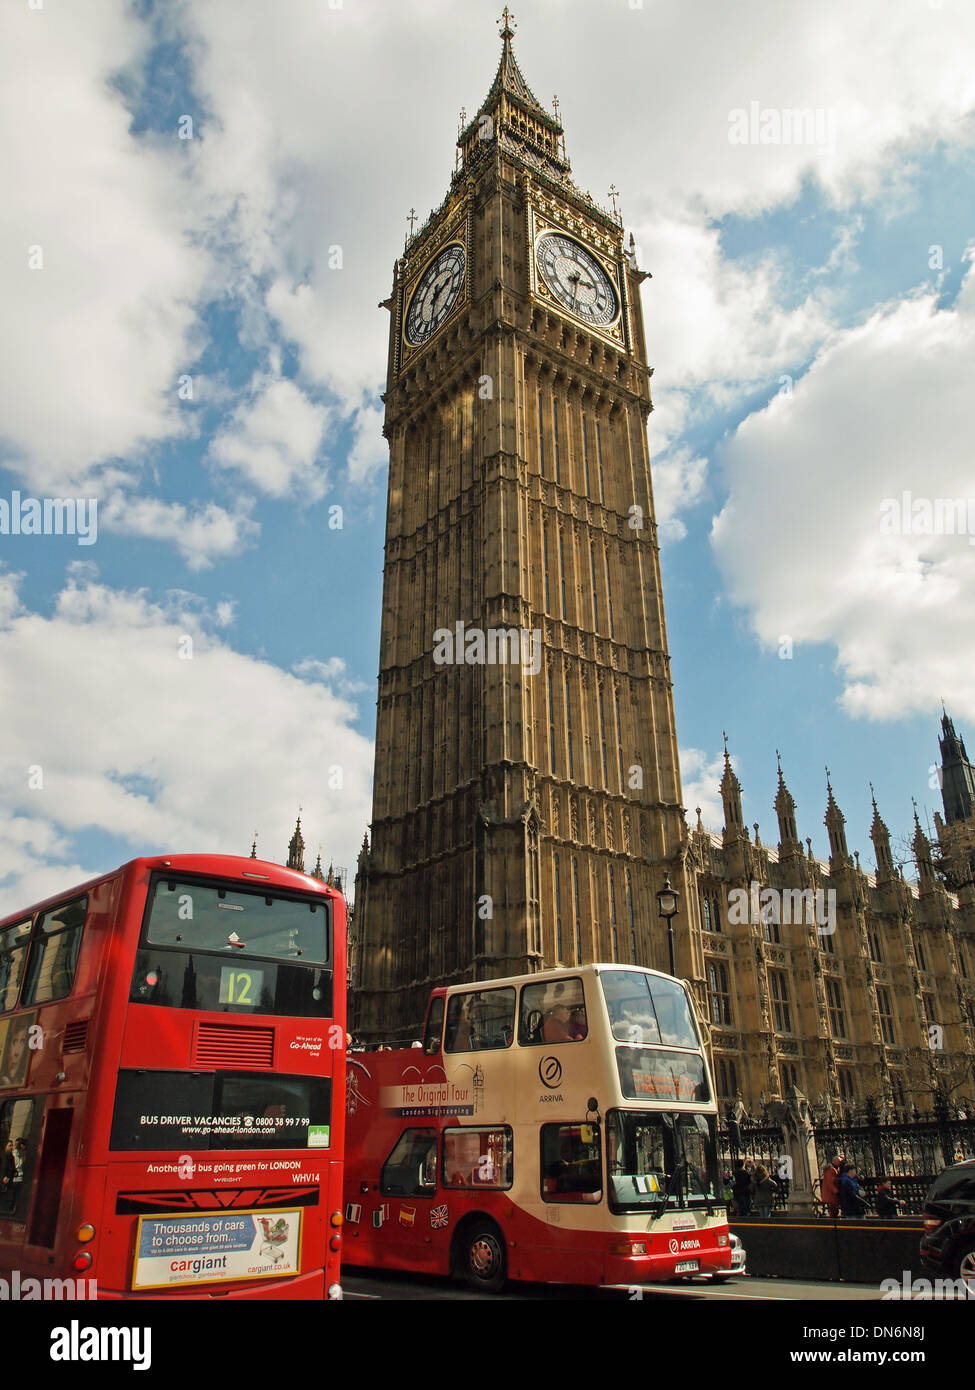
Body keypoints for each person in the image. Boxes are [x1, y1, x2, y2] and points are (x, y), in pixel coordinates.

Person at [821, 1153, 843, 1218]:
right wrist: (836, 1191)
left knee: (834, 1210)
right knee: (833, 1211)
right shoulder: (831, 1170)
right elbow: (830, 1183)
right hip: (831, 1194)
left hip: (831, 1194)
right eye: (840, 1161)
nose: (840, 1163)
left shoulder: (833, 1169)